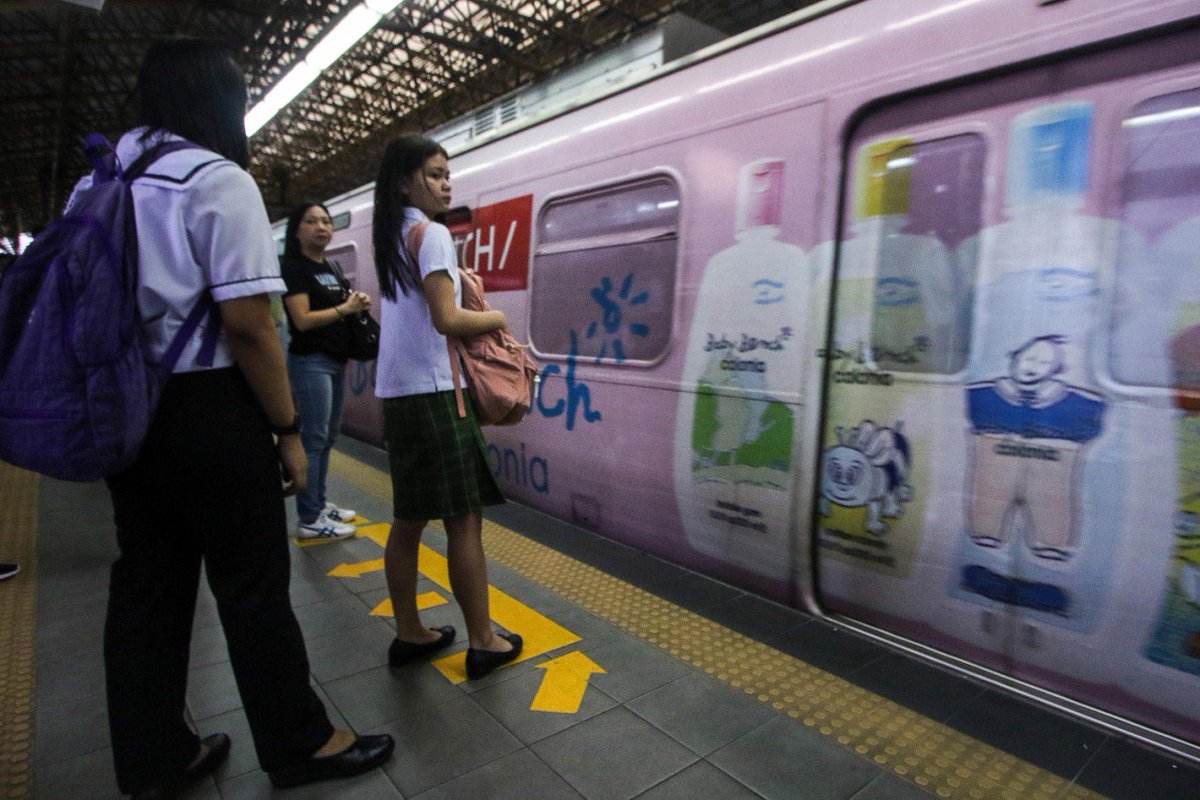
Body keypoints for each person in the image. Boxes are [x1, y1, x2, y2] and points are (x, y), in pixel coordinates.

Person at [93, 39, 392, 798]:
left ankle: (156, 757)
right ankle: (302, 744)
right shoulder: (215, 179)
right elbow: (250, 325)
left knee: (147, 592)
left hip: (130, 411)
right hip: (208, 411)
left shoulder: (101, 182)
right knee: (252, 585)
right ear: (219, 104)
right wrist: (287, 430)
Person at [372, 134, 523, 679]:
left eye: (446, 174)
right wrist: (499, 319)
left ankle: (410, 632)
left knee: (409, 519)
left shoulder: (391, 234)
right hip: (436, 395)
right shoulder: (431, 233)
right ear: (406, 180)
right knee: (464, 521)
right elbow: (447, 318)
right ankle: (483, 640)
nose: (446, 184)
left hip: (398, 395)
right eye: (435, 174)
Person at [280, 201, 369, 539]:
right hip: (310, 361)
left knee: (327, 437)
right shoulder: (294, 267)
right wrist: (345, 308)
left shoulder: (329, 267)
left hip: (334, 361)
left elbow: (339, 309)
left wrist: (354, 305)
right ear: (297, 229)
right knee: (314, 439)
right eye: (312, 221)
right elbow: (301, 321)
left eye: (326, 221)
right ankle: (309, 518)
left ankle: (319, 502)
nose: (322, 227)